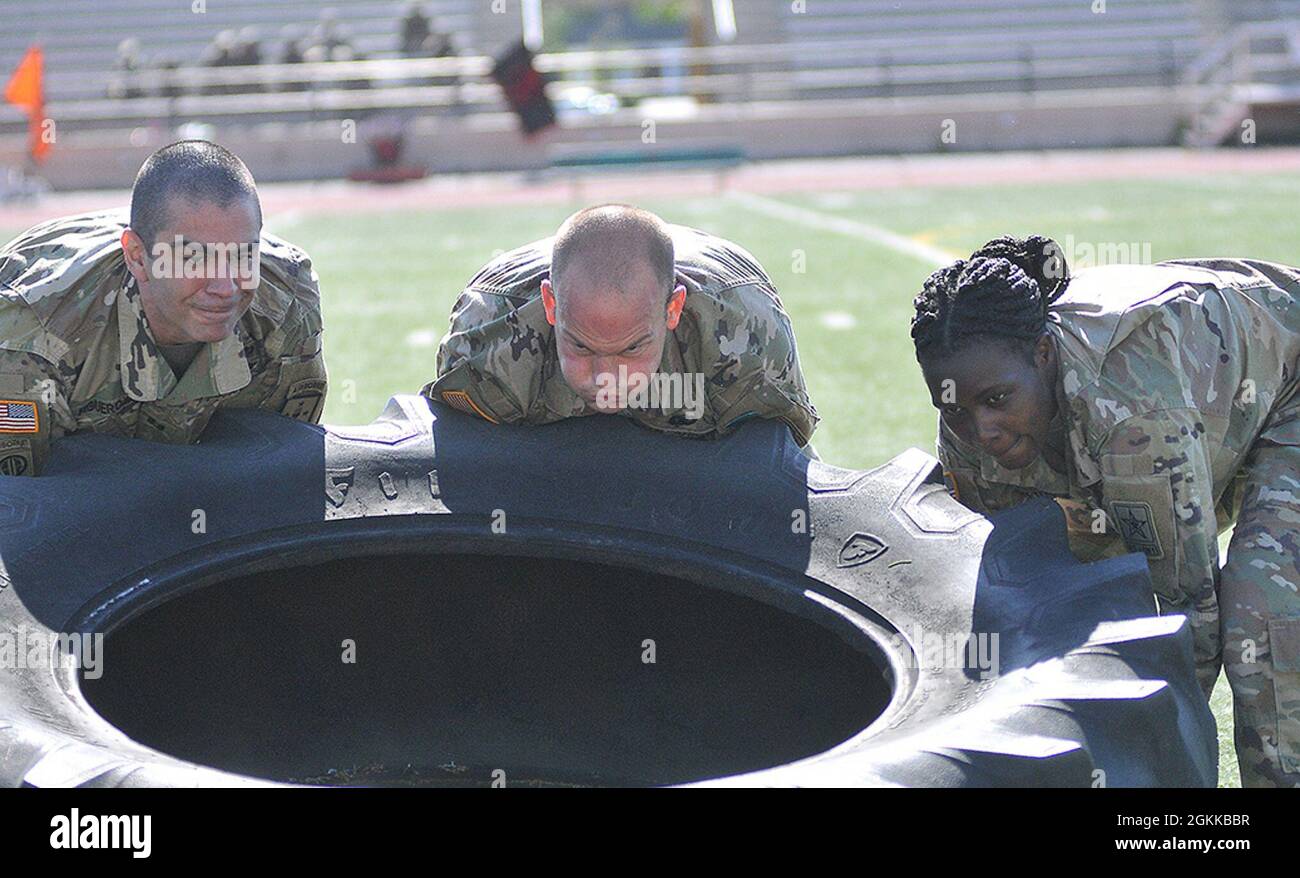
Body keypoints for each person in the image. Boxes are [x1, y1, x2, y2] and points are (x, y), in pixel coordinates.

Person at [910, 235, 1300, 787]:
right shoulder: (971, 421)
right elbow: (1007, 589)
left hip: (1287, 387)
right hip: (1212, 404)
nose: (981, 431)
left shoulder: (1133, 419)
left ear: (1043, 355)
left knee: (1261, 606)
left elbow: (1187, 608)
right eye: (952, 407)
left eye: (997, 400)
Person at [0, 140, 327, 477]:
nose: (226, 287)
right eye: (193, 258)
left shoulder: (286, 300)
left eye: (243, 255)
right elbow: (16, 501)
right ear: (138, 257)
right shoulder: (35, 330)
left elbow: (285, 467)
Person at [424, 204, 818, 449]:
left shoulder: (744, 333)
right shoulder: (490, 340)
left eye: (631, 349)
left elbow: (772, 472)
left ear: (673, 309)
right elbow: (466, 476)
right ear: (550, 305)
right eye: (582, 347)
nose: (605, 377)